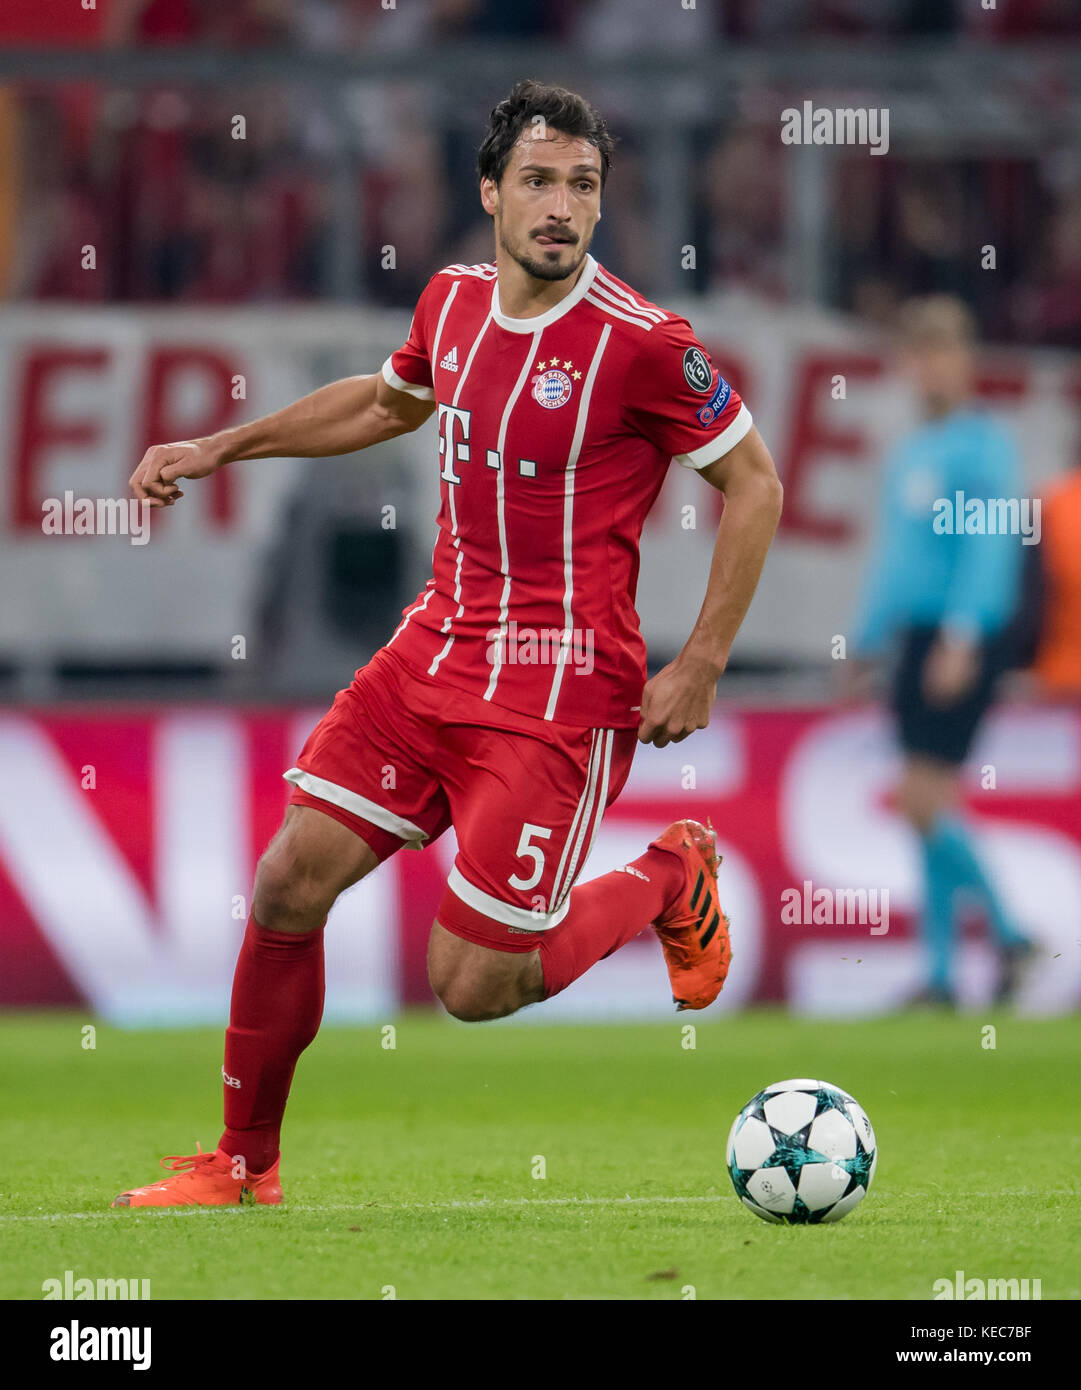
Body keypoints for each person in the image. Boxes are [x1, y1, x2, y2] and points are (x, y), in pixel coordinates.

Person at [116, 80, 783, 1207]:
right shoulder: (452, 303)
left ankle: (670, 874)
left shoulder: (643, 348)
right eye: (537, 180)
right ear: (490, 192)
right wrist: (221, 445)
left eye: (581, 185)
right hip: (435, 650)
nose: (560, 205)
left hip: (561, 689)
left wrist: (703, 660)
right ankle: (241, 1163)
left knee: (471, 984)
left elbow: (754, 485)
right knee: (286, 881)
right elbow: (386, 403)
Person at [850, 295, 1035, 1007]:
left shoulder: (985, 445)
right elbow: (895, 558)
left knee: (920, 798)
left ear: (966, 362)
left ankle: (1011, 934)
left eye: (942, 353)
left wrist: (962, 632)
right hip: (911, 638)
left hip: (959, 639)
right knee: (928, 807)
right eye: (918, 354)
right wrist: (865, 637)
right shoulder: (909, 453)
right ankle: (939, 975)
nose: (929, 368)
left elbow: (990, 550)